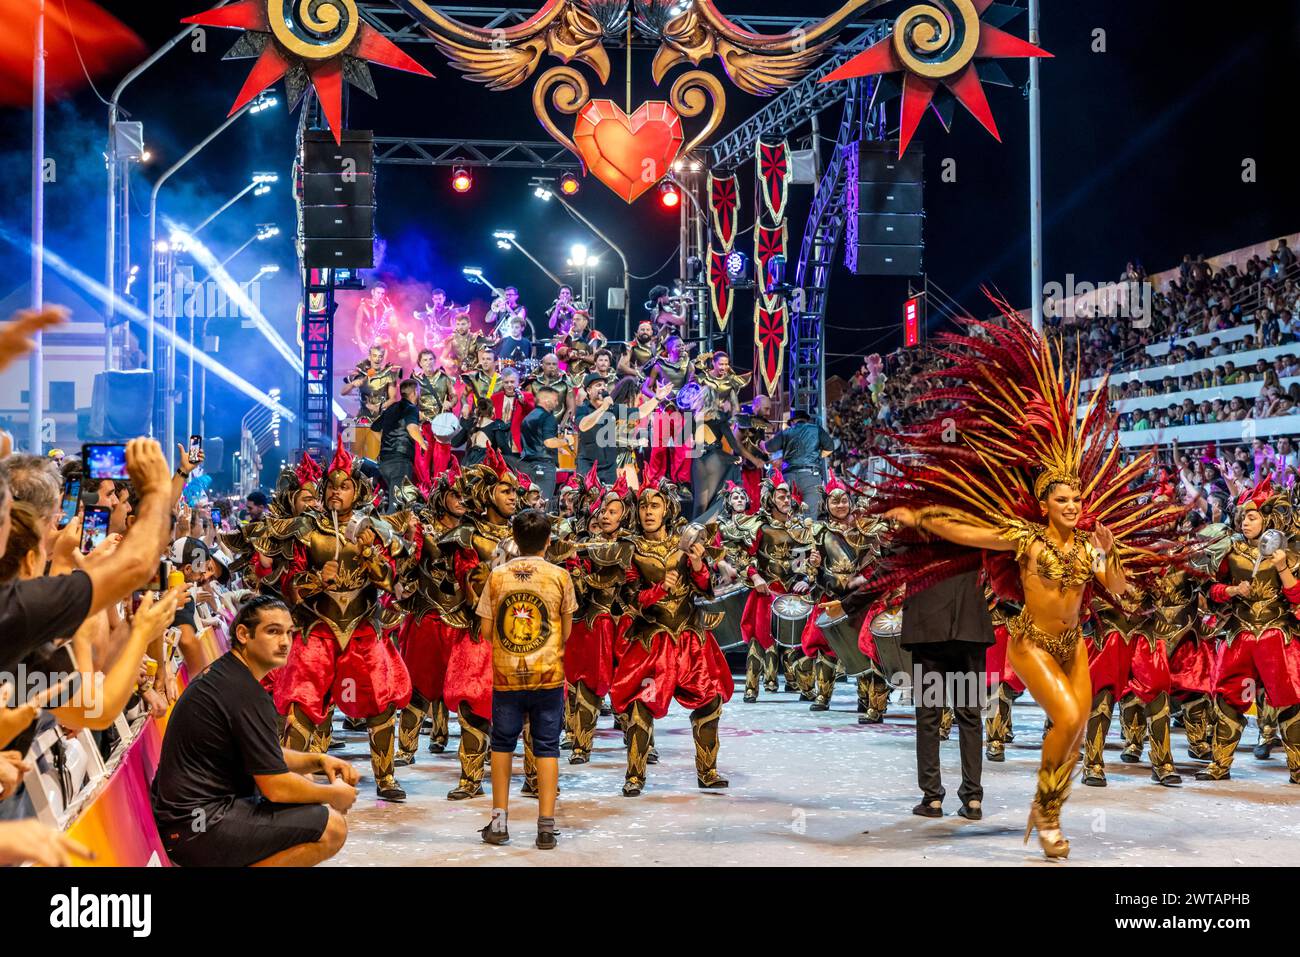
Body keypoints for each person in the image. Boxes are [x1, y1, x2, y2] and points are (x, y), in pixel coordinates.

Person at [871, 311, 1173, 859]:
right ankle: (1046, 813)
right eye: (1064, 499)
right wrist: (920, 516)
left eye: (1077, 499)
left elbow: (1122, 591)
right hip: (1031, 641)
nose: (1074, 505)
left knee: (1078, 733)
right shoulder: (1026, 539)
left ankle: (1047, 811)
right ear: (1044, 503)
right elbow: (967, 528)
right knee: (1066, 717)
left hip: (1073, 645)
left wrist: (1109, 556)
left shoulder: (1086, 544)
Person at [152, 596, 358, 866]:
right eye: (273, 631)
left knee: (305, 781)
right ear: (243, 634)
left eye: (289, 633)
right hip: (195, 828)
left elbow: (267, 756)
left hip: (188, 819)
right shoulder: (244, 691)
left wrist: (318, 761)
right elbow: (276, 788)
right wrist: (333, 794)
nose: (285, 641)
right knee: (333, 827)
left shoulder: (231, 675)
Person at [476, 509, 576, 849]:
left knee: (502, 745)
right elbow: (566, 632)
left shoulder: (497, 577)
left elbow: (487, 630)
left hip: (506, 678)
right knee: (547, 747)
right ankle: (546, 827)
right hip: (548, 676)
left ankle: (499, 823)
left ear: (514, 540)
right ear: (549, 541)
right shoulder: (561, 577)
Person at [901, 571, 995, 819]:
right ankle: (973, 798)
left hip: (928, 627)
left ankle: (932, 798)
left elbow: (893, 559)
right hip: (969, 625)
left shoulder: (919, 531)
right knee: (970, 715)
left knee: (929, 715)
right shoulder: (973, 529)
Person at [765, 409, 835, 518]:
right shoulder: (816, 430)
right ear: (806, 421)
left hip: (789, 477)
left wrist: (760, 443)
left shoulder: (786, 432)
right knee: (810, 518)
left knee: (788, 515)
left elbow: (769, 448)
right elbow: (830, 447)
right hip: (810, 476)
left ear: (793, 421)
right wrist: (816, 456)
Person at [370, 378, 426, 502]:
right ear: (415, 392)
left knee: (393, 501)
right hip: (400, 463)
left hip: (384, 463)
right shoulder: (411, 408)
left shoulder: (391, 408)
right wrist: (424, 445)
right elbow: (412, 428)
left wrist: (386, 443)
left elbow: (374, 428)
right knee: (397, 506)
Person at [521, 386, 565, 506]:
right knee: (543, 506)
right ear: (546, 400)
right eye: (555, 400)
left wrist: (558, 448)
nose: (557, 403)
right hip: (544, 466)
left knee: (529, 505)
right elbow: (548, 442)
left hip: (527, 467)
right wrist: (566, 441)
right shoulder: (548, 417)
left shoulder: (528, 417)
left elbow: (536, 440)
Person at [574, 373, 618, 484]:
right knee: (588, 499)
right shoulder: (582, 408)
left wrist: (656, 398)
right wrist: (603, 408)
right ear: (588, 390)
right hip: (587, 466)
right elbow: (583, 426)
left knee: (611, 500)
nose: (603, 388)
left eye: (604, 385)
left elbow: (639, 412)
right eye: (598, 385)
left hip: (609, 468)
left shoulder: (612, 408)